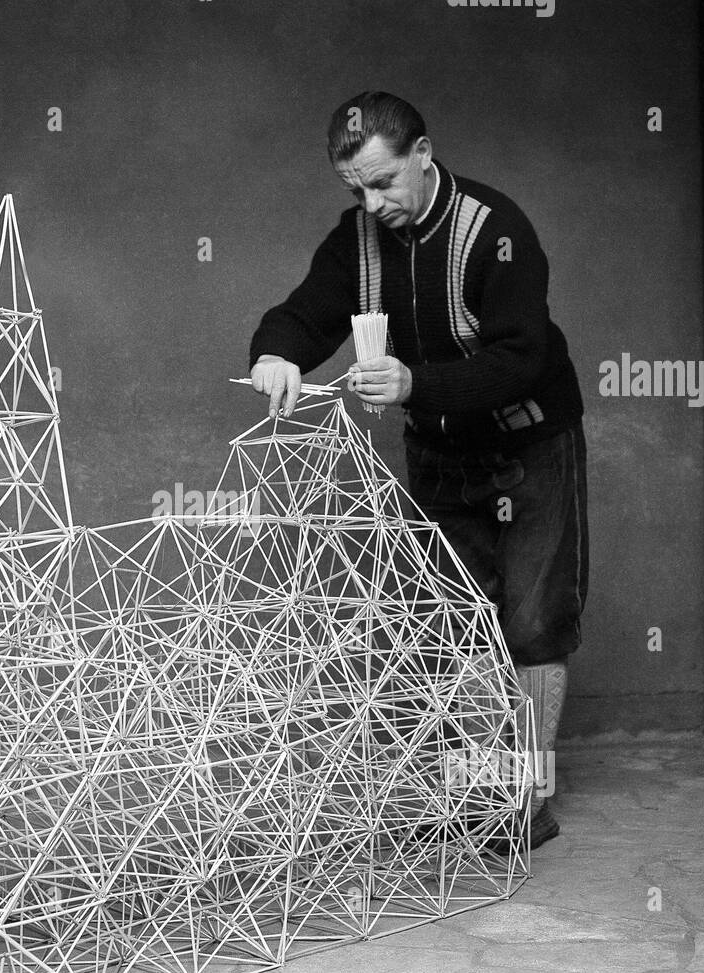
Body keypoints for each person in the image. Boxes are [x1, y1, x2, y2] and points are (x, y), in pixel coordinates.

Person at [248, 91, 587, 848]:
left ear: (424, 155)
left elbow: (521, 357)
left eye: (383, 182)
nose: (373, 203)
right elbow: (306, 313)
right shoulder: (358, 238)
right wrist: (274, 354)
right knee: (454, 627)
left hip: (529, 442)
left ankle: (526, 801)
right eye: (356, 190)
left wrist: (414, 384)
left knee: (534, 620)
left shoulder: (496, 232)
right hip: (440, 452)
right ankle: (483, 793)